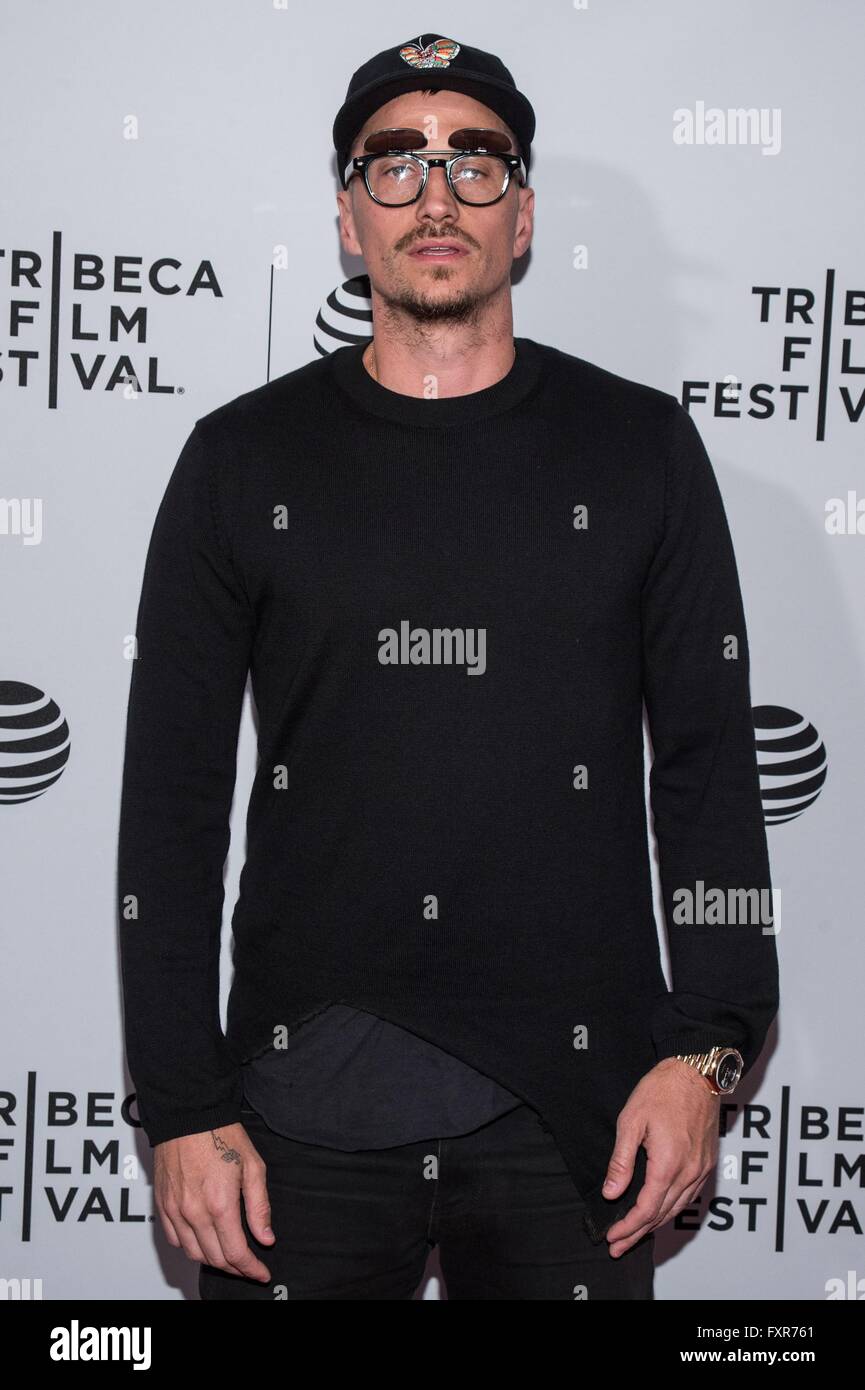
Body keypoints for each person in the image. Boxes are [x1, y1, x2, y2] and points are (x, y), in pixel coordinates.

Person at [117, 32, 779, 1301]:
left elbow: (707, 775)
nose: (435, 194)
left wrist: (707, 1051)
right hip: (292, 1107)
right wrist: (182, 1105)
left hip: (579, 1113)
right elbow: (171, 806)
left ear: (521, 213)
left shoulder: (640, 450)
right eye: (395, 164)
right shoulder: (240, 462)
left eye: (474, 163)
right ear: (348, 217)